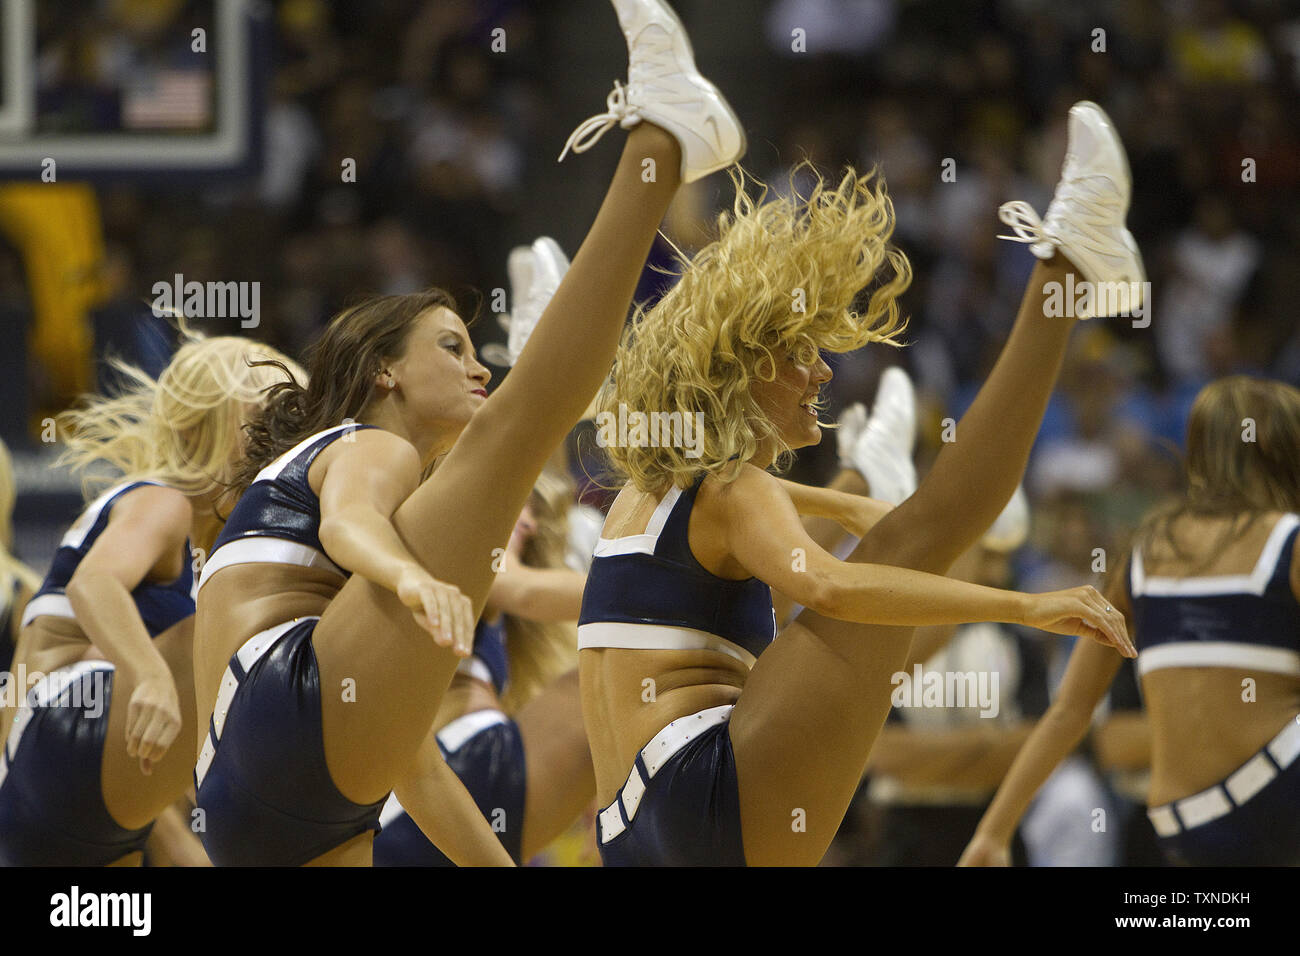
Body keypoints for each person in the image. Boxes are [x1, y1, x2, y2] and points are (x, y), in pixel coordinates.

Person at [191, 0, 748, 866]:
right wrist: (409, 580)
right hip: (280, 727)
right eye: (452, 348)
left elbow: (414, 766)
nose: (474, 367)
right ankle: (659, 145)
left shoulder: (359, 548)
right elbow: (349, 526)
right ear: (386, 374)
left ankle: (662, 147)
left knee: (523, 430)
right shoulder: (370, 445)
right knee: (527, 419)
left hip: (266, 790)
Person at [579, 100, 1142, 866]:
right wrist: (1025, 605)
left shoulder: (653, 487)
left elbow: (772, 518)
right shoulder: (734, 489)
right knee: (921, 533)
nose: (823, 371)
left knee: (903, 537)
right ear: (743, 368)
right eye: (803, 353)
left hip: (626, 831)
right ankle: (1066, 268)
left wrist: (846, 494)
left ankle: (890, 458)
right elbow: (835, 590)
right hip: (699, 791)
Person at [962, 376, 1300, 867]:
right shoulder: (1288, 538)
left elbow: (1069, 712)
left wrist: (994, 832)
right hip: (1280, 798)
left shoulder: (1146, 551)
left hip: (1184, 823)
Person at [0, 334, 301, 866]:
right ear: (212, 425)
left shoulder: (215, 541)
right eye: (273, 420)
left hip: (82, 807)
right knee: (266, 609)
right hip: (58, 733)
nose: (287, 446)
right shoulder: (165, 500)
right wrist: (151, 674)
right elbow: (93, 585)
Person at [373, 471, 591, 865]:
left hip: (436, 787)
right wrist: (649, 587)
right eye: (522, 511)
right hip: (450, 773)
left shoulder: (484, 616)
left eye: (533, 520)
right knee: (604, 680)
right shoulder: (459, 544)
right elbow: (524, 590)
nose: (528, 524)